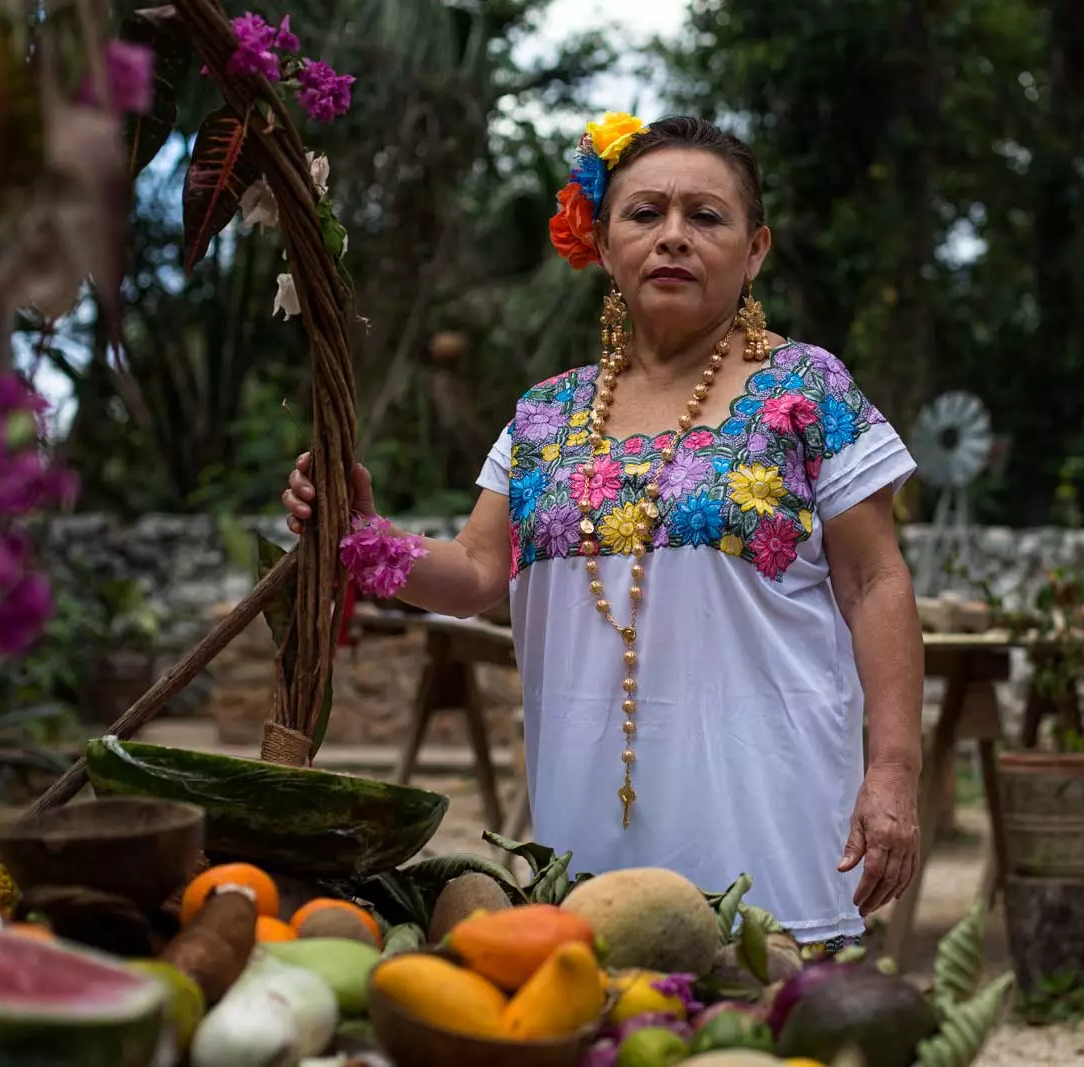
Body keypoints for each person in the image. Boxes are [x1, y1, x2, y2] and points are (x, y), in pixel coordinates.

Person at [282, 113, 924, 951]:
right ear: (605, 240)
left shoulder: (807, 388)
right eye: (645, 213)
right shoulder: (545, 414)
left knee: (769, 1021)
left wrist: (894, 771)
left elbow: (876, 581)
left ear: (755, 249)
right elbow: (474, 574)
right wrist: (359, 534)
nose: (673, 237)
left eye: (706, 216)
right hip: (588, 821)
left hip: (773, 814)